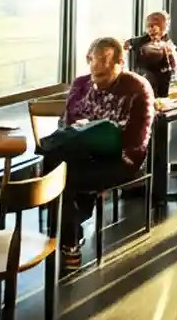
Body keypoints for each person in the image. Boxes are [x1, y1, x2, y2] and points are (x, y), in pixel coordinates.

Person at [47, 36, 154, 270]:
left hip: (121, 159)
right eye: (95, 74)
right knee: (55, 166)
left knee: (66, 178)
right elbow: (67, 123)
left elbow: (136, 142)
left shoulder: (138, 88)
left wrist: (102, 138)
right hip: (83, 155)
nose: (98, 80)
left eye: (104, 75)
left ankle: (68, 240)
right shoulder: (80, 84)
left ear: (120, 63)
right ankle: (68, 234)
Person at [124, 11, 177, 98]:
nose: (152, 28)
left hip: (162, 84)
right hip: (143, 84)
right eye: (149, 26)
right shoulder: (141, 42)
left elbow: (173, 69)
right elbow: (129, 43)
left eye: (156, 24)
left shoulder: (168, 45)